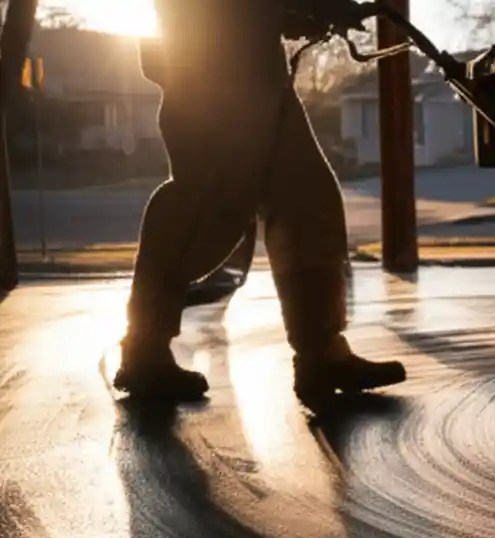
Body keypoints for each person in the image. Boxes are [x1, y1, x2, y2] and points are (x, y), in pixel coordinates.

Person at [113, 0, 406, 408]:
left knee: (306, 198)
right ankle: (145, 348)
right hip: (211, 71)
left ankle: (322, 351)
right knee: (210, 205)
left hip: (257, 71)